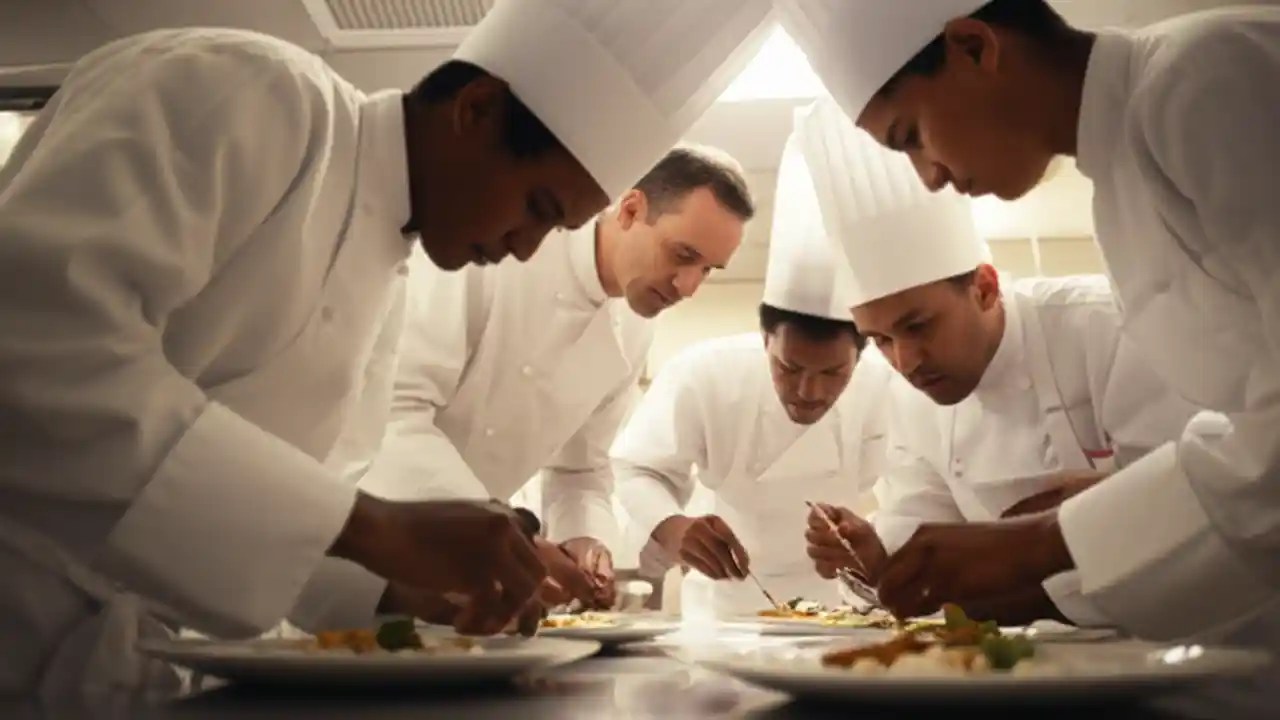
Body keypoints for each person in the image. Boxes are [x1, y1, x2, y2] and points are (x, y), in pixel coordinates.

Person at [0, 0, 775, 695]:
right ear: (475, 109)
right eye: (537, 207)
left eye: (556, 227)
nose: (525, 247)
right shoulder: (241, 90)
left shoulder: (392, 266)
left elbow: (294, 497)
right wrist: (375, 529)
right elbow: (32, 357)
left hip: (140, 674)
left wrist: (399, 589)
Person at [778, 0, 1280, 714]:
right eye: (881, 340)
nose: (928, 176)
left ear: (975, 47)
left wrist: (1043, 539)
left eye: (913, 136)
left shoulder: (1203, 80)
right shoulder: (1122, 188)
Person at [291, 145, 756, 630]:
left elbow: (581, 469)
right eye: (683, 255)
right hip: (356, 547)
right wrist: (504, 538)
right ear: (631, 209)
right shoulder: (500, 247)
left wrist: (585, 543)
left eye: (708, 269)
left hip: (473, 568)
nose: (688, 286)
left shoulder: (636, 327)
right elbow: (397, 414)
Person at [793, 98, 1201, 625]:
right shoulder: (909, 395)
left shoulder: (1104, 325)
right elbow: (921, 522)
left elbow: (1185, 505)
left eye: (918, 326)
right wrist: (874, 557)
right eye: (880, 340)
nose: (906, 362)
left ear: (984, 288)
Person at [613, 129, 894, 618]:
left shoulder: (888, 388)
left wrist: (871, 545)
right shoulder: (704, 373)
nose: (809, 391)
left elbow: (915, 500)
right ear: (764, 340)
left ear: (863, 353)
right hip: (724, 609)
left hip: (840, 612)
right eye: (788, 367)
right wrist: (675, 526)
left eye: (833, 373)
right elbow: (636, 469)